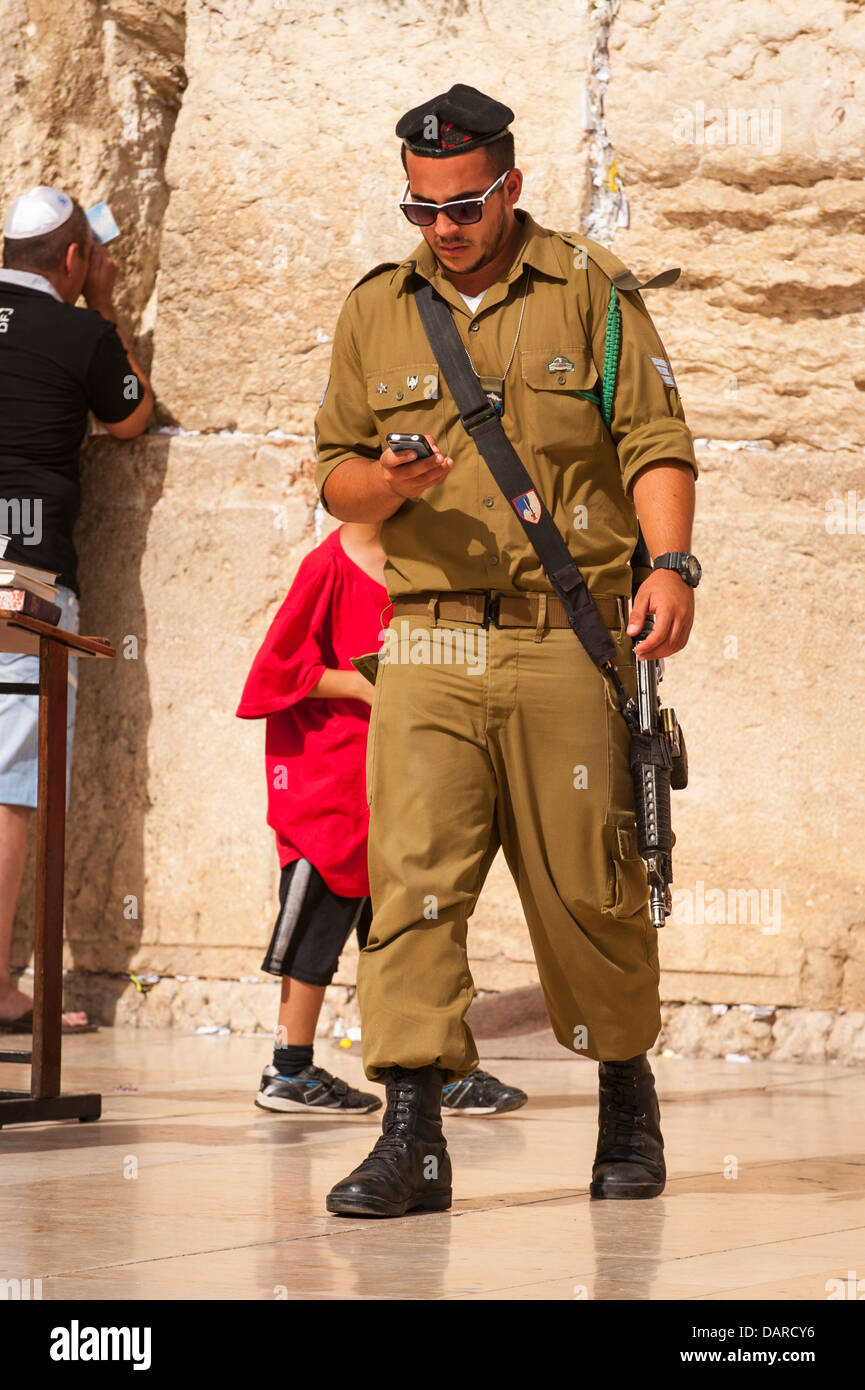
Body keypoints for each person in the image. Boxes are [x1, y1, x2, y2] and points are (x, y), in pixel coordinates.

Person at [314, 84, 701, 1218]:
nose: (445, 226)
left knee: (591, 885)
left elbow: (654, 440)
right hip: (426, 639)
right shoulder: (376, 310)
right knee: (413, 886)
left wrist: (669, 567)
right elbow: (334, 469)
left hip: (561, 641)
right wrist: (388, 481)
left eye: (466, 203)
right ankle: (411, 1133)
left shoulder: (591, 290)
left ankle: (625, 1094)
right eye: (423, 207)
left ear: (511, 187)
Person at [236, 519, 528, 1116]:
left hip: (401, 779)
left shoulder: (426, 561)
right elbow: (274, 671)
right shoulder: (328, 566)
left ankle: (432, 1070)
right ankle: (289, 1070)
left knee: (411, 927)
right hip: (328, 786)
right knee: (315, 928)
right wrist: (366, 686)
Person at [0, 186, 153, 1033]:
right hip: (20, 580)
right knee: (8, 788)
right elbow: (130, 417)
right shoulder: (81, 331)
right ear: (70, 258)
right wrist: (104, 302)